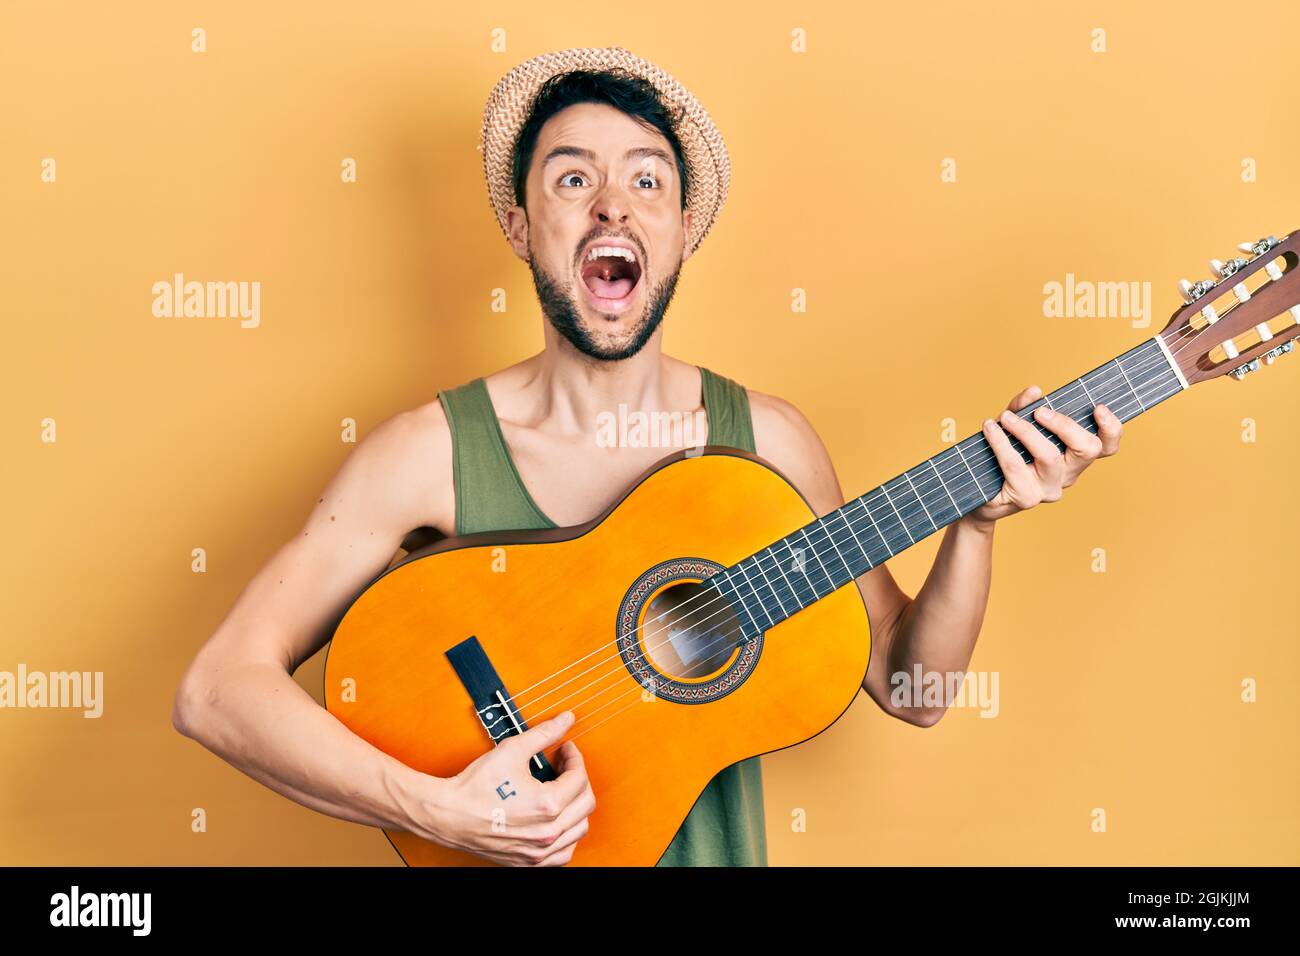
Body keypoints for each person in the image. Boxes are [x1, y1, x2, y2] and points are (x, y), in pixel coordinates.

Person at [172, 47, 1123, 867]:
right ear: (518, 223)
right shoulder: (427, 453)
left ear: (679, 232)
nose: (612, 209)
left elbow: (910, 687)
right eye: (573, 179)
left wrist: (977, 520)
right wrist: (438, 809)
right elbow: (218, 689)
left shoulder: (769, 443)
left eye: (647, 181)